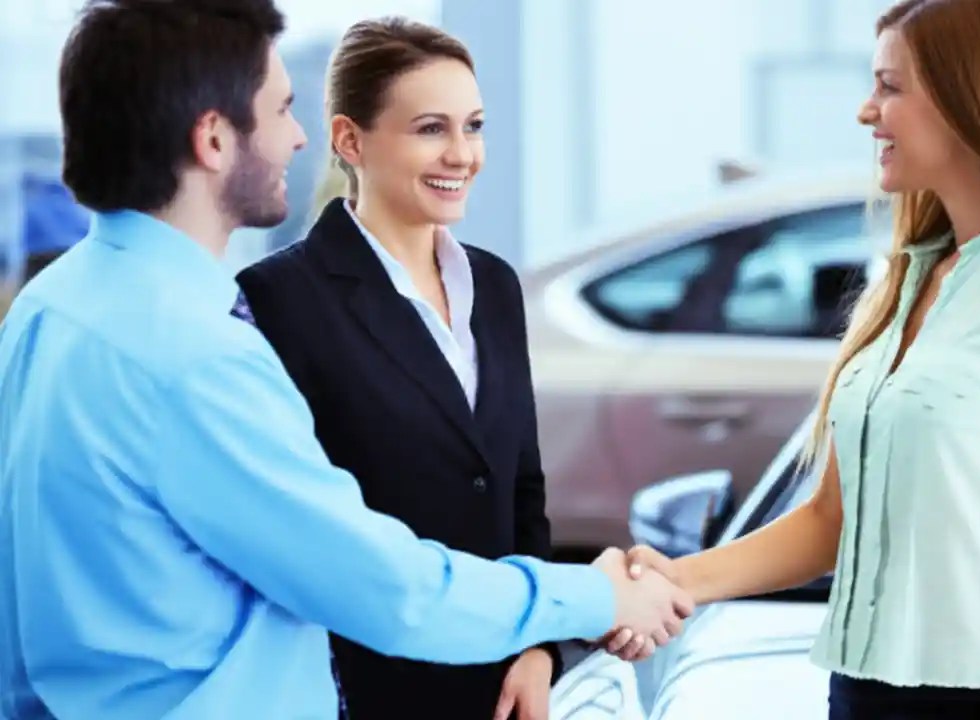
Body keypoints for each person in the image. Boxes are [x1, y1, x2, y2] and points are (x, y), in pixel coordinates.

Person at [0, 2, 691, 719]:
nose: (298, 139)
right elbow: (386, 588)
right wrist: (597, 595)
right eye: (281, 110)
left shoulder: (48, 308)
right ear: (213, 138)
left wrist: (541, 638)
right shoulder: (197, 355)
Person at [614, 1, 980, 718]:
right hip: (860, 694)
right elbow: (830, 520)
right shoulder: (903, 283)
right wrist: (675, 578)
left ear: (970, 99)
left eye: (891, 87)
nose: (869, 113)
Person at [234, 18, 566, 720]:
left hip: (504, 692)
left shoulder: (496, 288)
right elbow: (299, 534)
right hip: (366, 694)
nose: (463, 154)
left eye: (473, 126)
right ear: (350, 140)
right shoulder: (281, 300)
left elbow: (521, 492)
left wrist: (541, 647)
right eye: (431, 129)